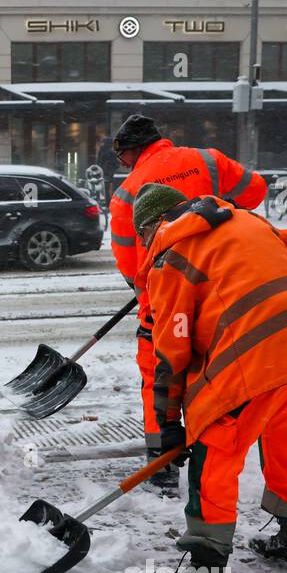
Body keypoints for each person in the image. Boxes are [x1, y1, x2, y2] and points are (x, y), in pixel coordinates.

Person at [130, 183, 287, 573]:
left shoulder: (172, 258)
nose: (145, 245)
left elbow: (171, 349)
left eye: (142, 236)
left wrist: (168, 424)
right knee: (286, 446)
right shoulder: (246, 221)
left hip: (256, 361)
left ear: (153, 224)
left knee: (214, 459)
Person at [107, 114, 268, 497]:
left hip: (170, 287)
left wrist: (147, 299)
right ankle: (212, 450)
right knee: (214, 368)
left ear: (131, 152)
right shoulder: (209, 160)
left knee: (157, 369)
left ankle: (160, 462)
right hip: (223, 280)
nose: (124, 165)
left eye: (122, 158)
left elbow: (130, 263)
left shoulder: (128, 193)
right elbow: (256, 192)